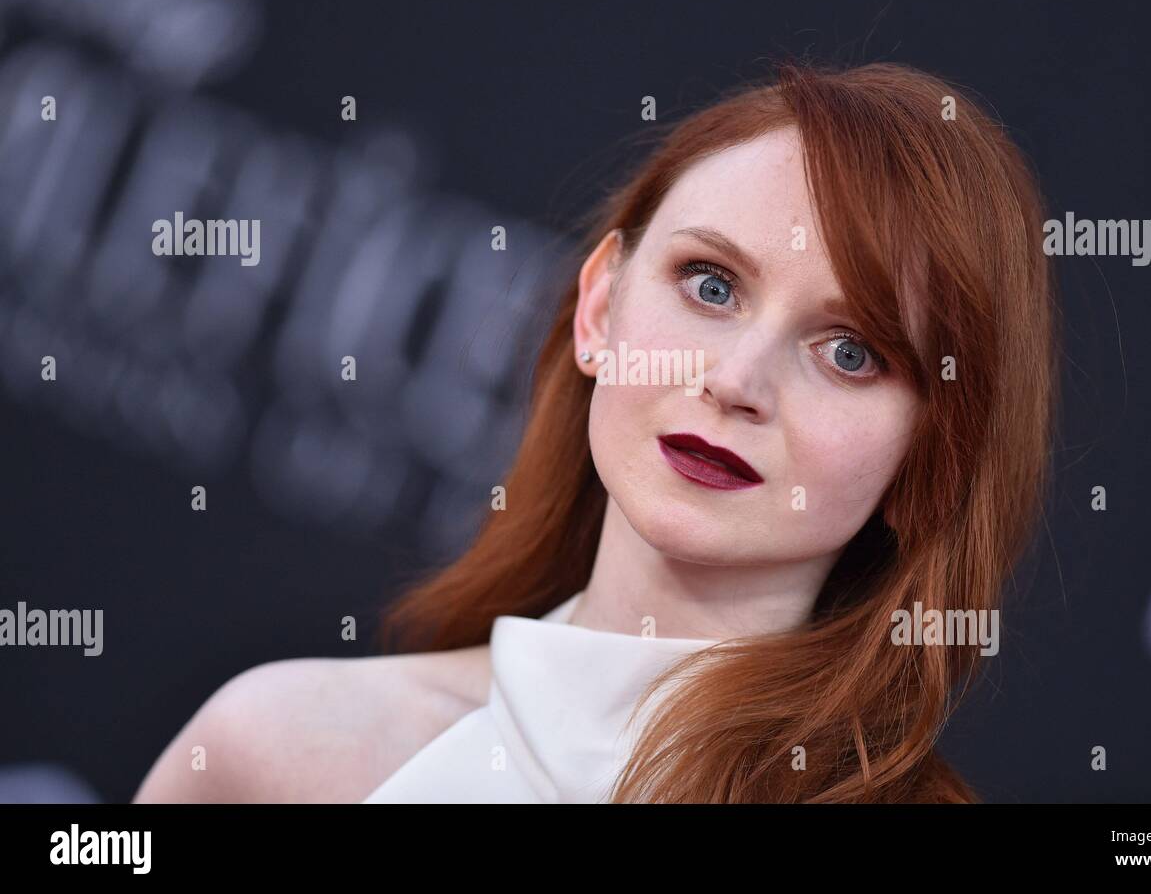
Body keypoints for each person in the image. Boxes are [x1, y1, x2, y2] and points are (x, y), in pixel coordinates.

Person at [134, 59, 1059, 804]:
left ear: (930, 454)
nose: (734, 382)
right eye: (710, 285)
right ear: (599, 306)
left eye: (851, 351)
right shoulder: (275, 751)